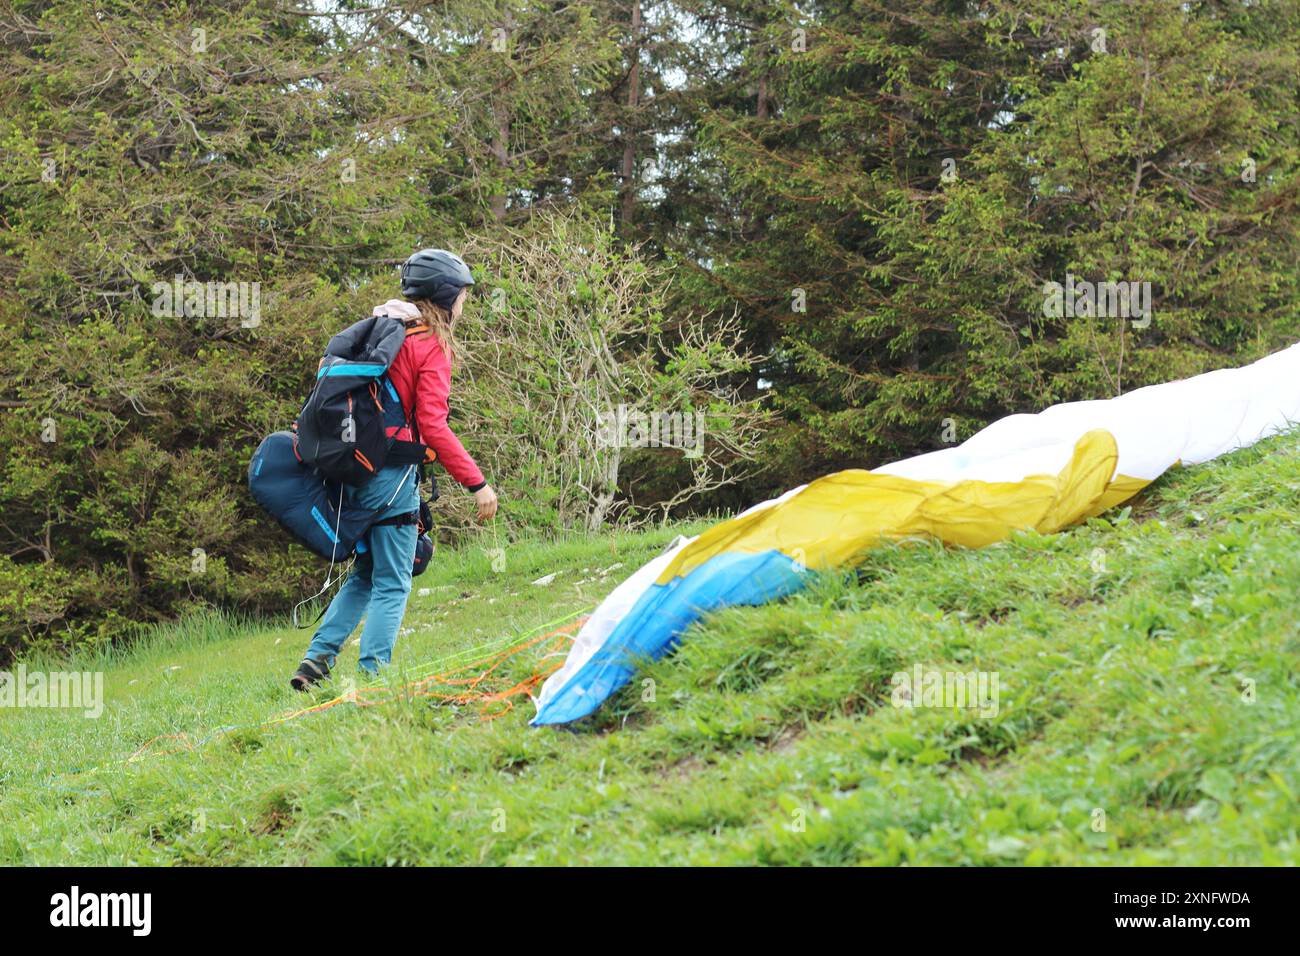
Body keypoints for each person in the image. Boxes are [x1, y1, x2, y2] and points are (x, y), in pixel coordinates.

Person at [290, 249, 498, 691]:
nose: (464, 304)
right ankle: (374, 679)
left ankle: (315, 662)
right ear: (444, 295)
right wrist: (476, 483)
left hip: (351, 473)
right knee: (393, 580)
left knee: (367, 572)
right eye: (462, 295)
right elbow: (434, 427)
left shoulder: (383, 334)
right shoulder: (429, 346)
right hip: (392, 477)